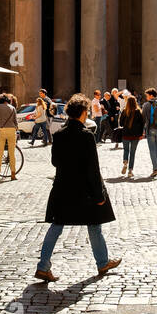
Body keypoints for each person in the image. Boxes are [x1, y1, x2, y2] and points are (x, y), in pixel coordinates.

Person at [34, 94, 121, 282]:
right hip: (84, 190)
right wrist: (99, 195)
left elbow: (55, 161)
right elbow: (93, 168)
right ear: (83, 113)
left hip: (63, 188)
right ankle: (103, 262)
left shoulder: (58, 135)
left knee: (56, 226)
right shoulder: (87, 136)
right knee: (94, 225)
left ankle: (43, 266)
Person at [0, 92, 19, 181]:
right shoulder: (13, 108)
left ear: (0, 100)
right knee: (12, 154)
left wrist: (0, 124)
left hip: (2, 131)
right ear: (8, 101)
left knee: (0, 153)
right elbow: (16, 122)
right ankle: (13, 175)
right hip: (12, 131)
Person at [120, 90, 145, 177]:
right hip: (135, 135)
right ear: (135, 102)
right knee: (133, 152)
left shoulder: (124, 111)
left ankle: (125, 162)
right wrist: (142, 134)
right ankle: (130, 171)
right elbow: (142, 124)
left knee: (126, 150)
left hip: (126, 134)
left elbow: (121, 124)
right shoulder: (138, 111)